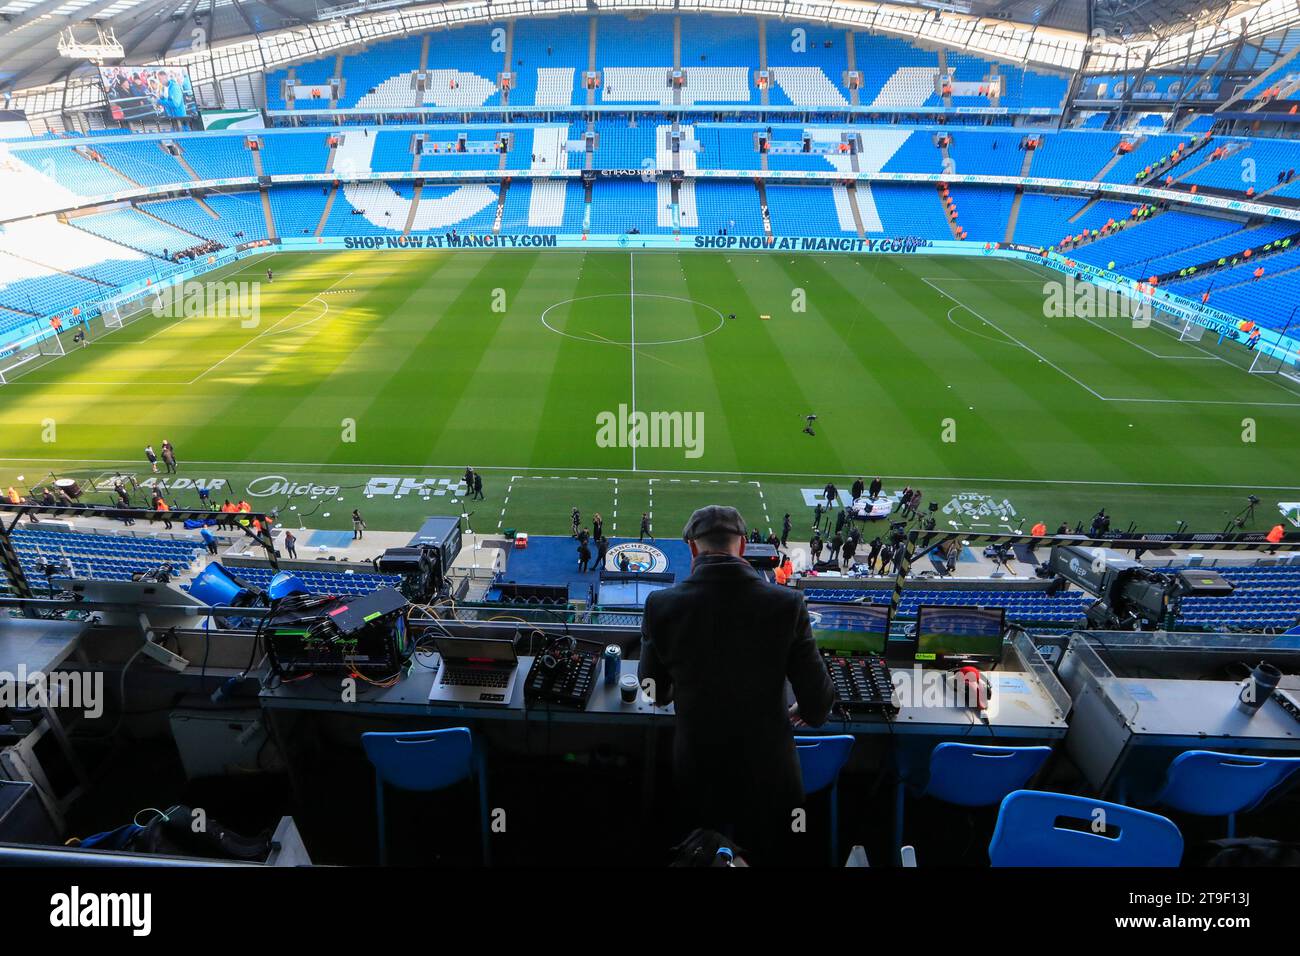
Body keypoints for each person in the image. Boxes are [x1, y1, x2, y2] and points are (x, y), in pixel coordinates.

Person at [638, 506, 834, 863]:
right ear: (743, 546)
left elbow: (654, 692)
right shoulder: (788, 604)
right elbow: (819, 707)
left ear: (693, 550)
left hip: (697, 773)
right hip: (770, 778)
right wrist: (799, 707)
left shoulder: (661, 605)